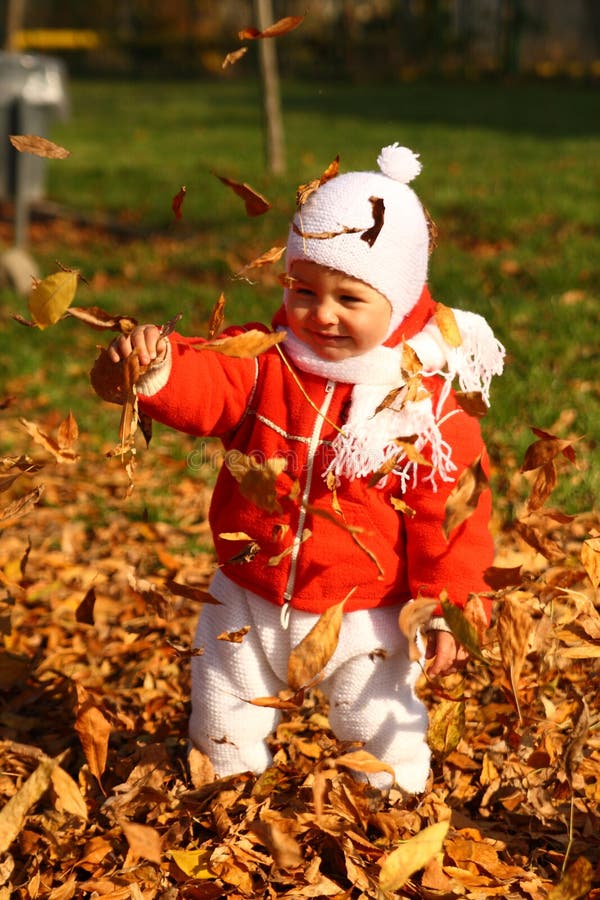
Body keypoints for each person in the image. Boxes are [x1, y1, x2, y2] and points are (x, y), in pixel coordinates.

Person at [103, 143, 504, 793]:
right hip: (248, 586)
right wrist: (158, 368)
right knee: (222, 706)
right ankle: (223, 793)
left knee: (377, 719)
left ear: (398, 302)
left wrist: (448, 605)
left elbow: (450, 514)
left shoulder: (423, 407)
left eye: (349, 298)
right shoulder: (268, 359)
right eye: (303, 290)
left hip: (364, 610)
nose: (321, 313)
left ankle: (392, 798)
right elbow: (211, 379)